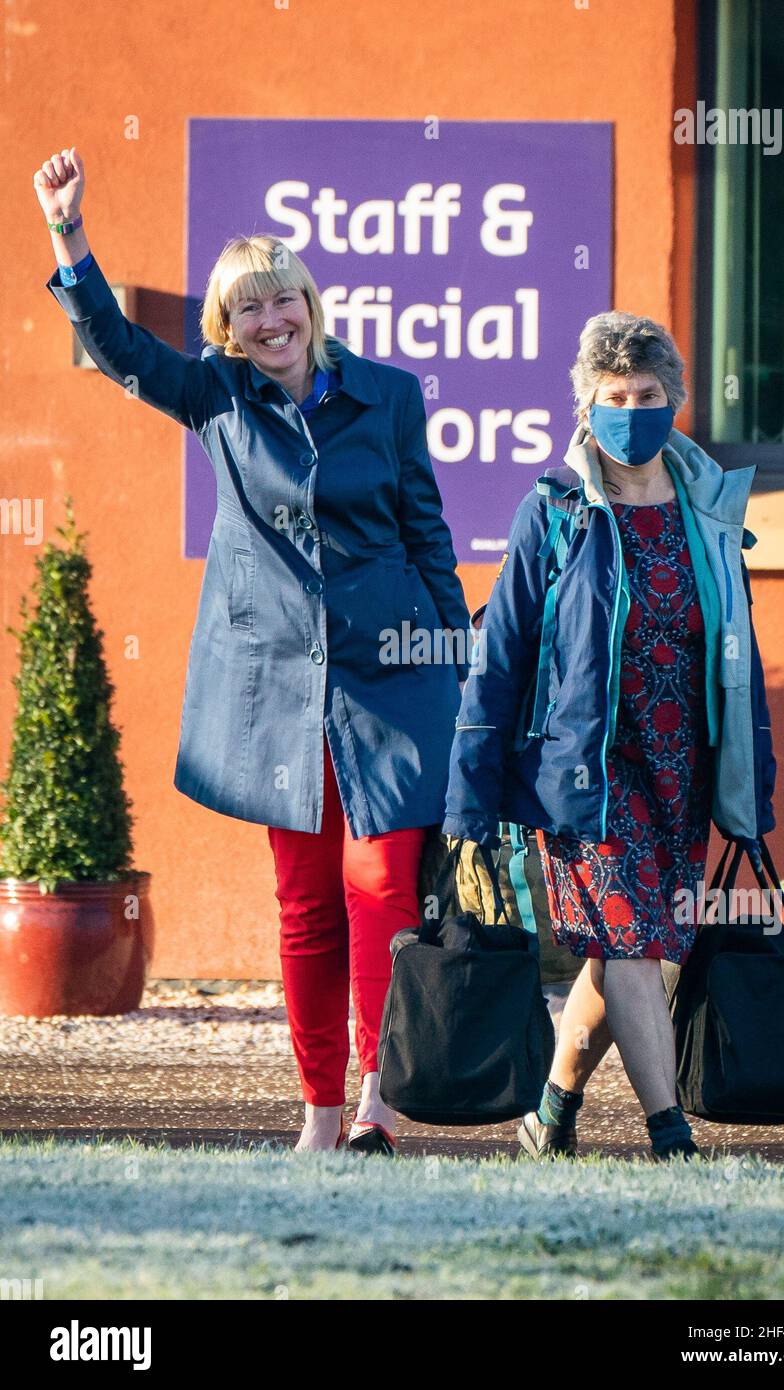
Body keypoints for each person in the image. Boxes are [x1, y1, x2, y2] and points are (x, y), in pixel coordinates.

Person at [36, 147, 471, 1155]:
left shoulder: (390, 397)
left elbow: (427, 535)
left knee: (383, 893)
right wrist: (70, 237)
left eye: (284, 302)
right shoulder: (217, 400)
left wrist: (454, 668)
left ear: (310, 305)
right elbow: (116, 349)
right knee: (307, 902)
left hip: (392, 679)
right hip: (277, 693)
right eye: (247, 312)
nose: (271, 323)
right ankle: (320, 1110)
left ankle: (380, 1097)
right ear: (226, 331)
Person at [442, 311, 776, 1161]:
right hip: (585, 776)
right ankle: (673, 1138)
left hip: (682, 769)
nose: (632, 409)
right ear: (587, 405)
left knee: (624, 949)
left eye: (649, 393)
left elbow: (738, 650)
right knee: (627, 941)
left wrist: (749, 779)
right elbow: (502, 656)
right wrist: (470, 794)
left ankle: (550, 1117)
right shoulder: (554, 512)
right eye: (614, 395)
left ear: (675, 398)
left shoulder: (707, 506)